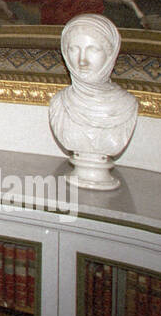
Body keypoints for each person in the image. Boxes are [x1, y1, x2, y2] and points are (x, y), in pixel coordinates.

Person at [49, 13, 138, 189]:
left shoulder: (127, 106)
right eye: (74, 49)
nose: (82, 60)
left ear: (110, 54)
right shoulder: (59, 104)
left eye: (93, 50)